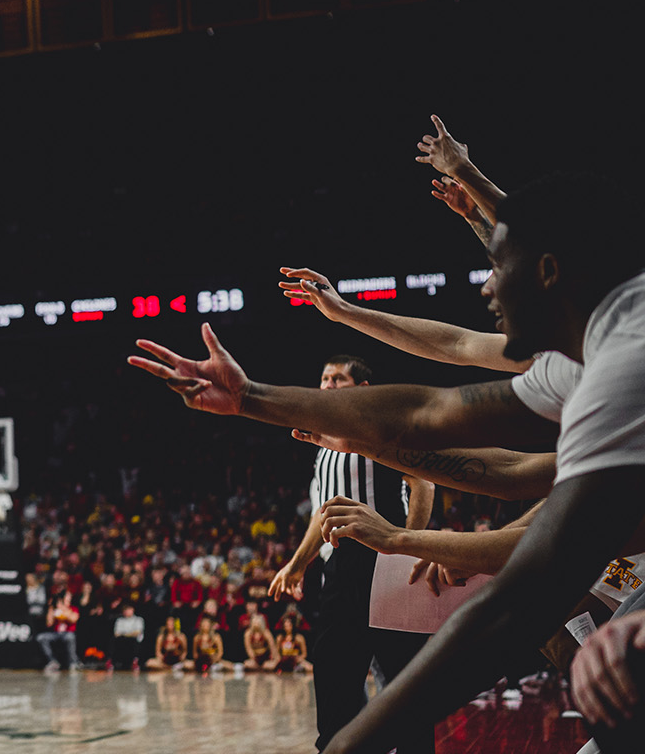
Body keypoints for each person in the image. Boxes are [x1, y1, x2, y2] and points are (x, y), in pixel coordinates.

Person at [127, 172, 645, 753]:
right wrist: (253, 399)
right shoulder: (585, 354)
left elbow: (523, 574)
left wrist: (403, 539)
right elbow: (458, 431)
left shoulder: (626, 364)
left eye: (497, 266)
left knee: (589, 638)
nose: (486, 287)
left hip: (408, 557)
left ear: (549, 273)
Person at [262, 357, 435, 754]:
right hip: (340, 566)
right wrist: (297, 564)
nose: (328, 385)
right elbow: (322, 513)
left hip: (386, 560)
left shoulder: (383, 429)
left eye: (338, 379)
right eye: (324, 378)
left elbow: (423, 484)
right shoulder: (323, 444)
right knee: (333, 673)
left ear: (362, 388)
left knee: (403, 676)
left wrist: (406, 545)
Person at [38, 591, 80, 674]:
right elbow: (49, 623)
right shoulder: (55, 609)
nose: (68, 600)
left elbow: (73, 619)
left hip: (68, 633)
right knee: (41, 637)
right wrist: (51, 609)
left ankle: (72, 662)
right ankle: (52, 661)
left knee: (70, 637)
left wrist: (63, 609)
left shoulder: (73, 609)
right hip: (56, 634)